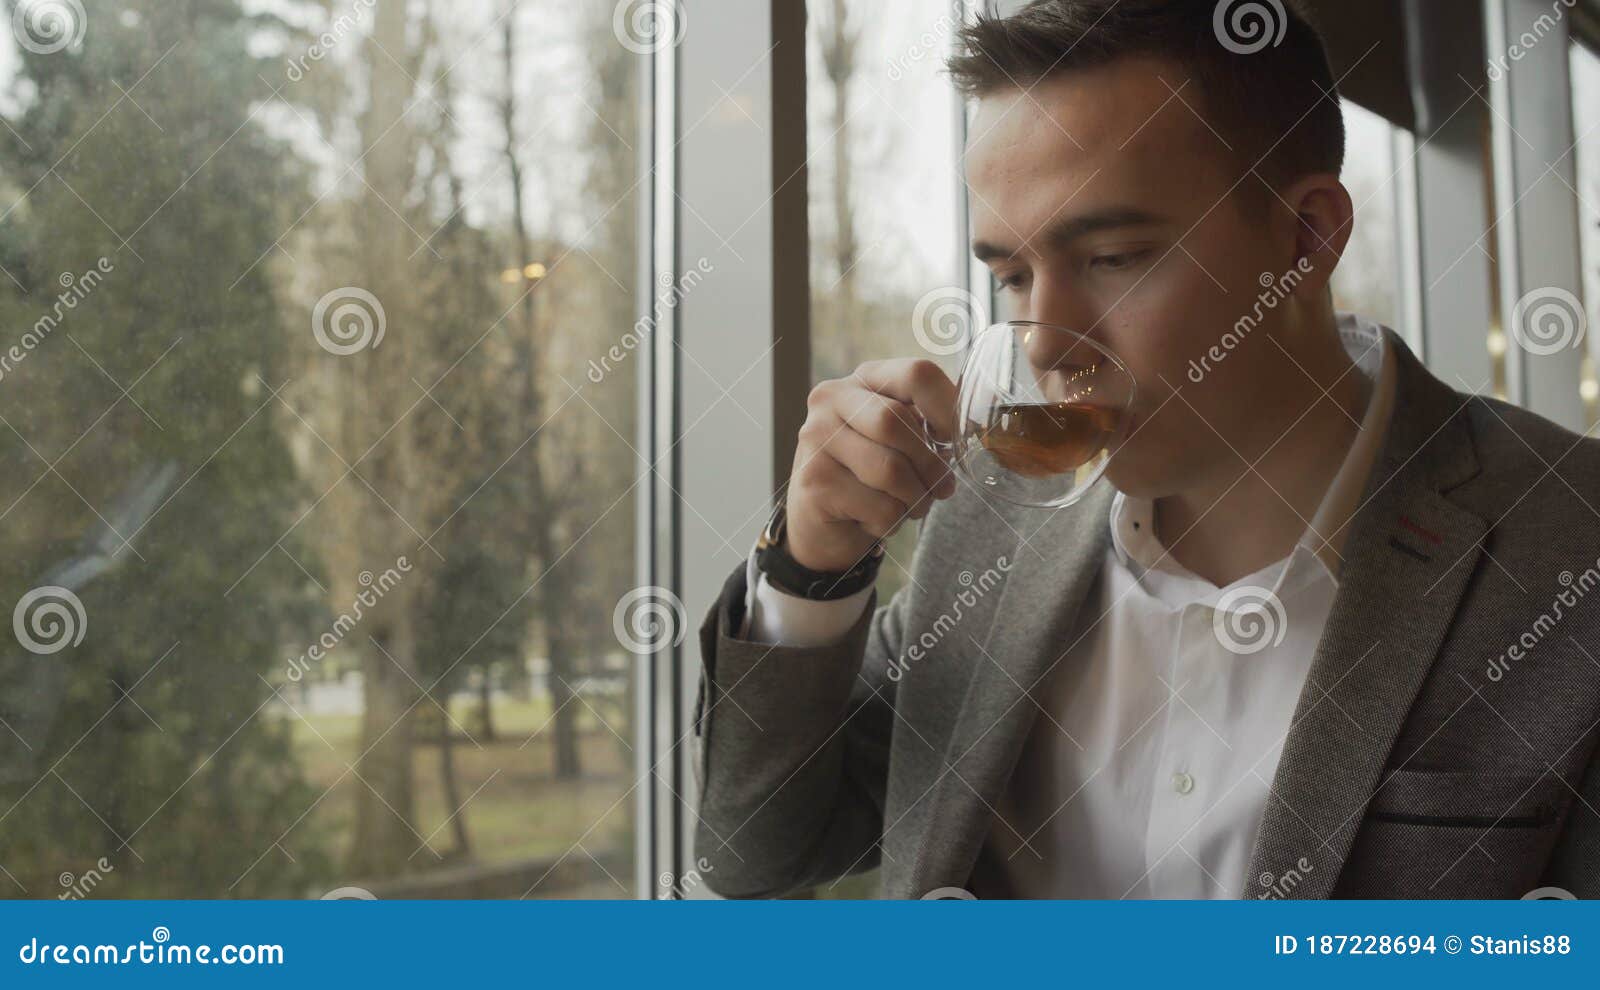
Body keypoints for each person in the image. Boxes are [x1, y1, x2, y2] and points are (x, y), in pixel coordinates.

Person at [693, 0, 1600, 898]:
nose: (1044, 343)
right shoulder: (989, 513)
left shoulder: (1568, 545)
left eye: (1114, 257)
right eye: (1012, 275)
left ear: (1307, 236)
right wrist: (810, 571)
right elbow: (761, 854)